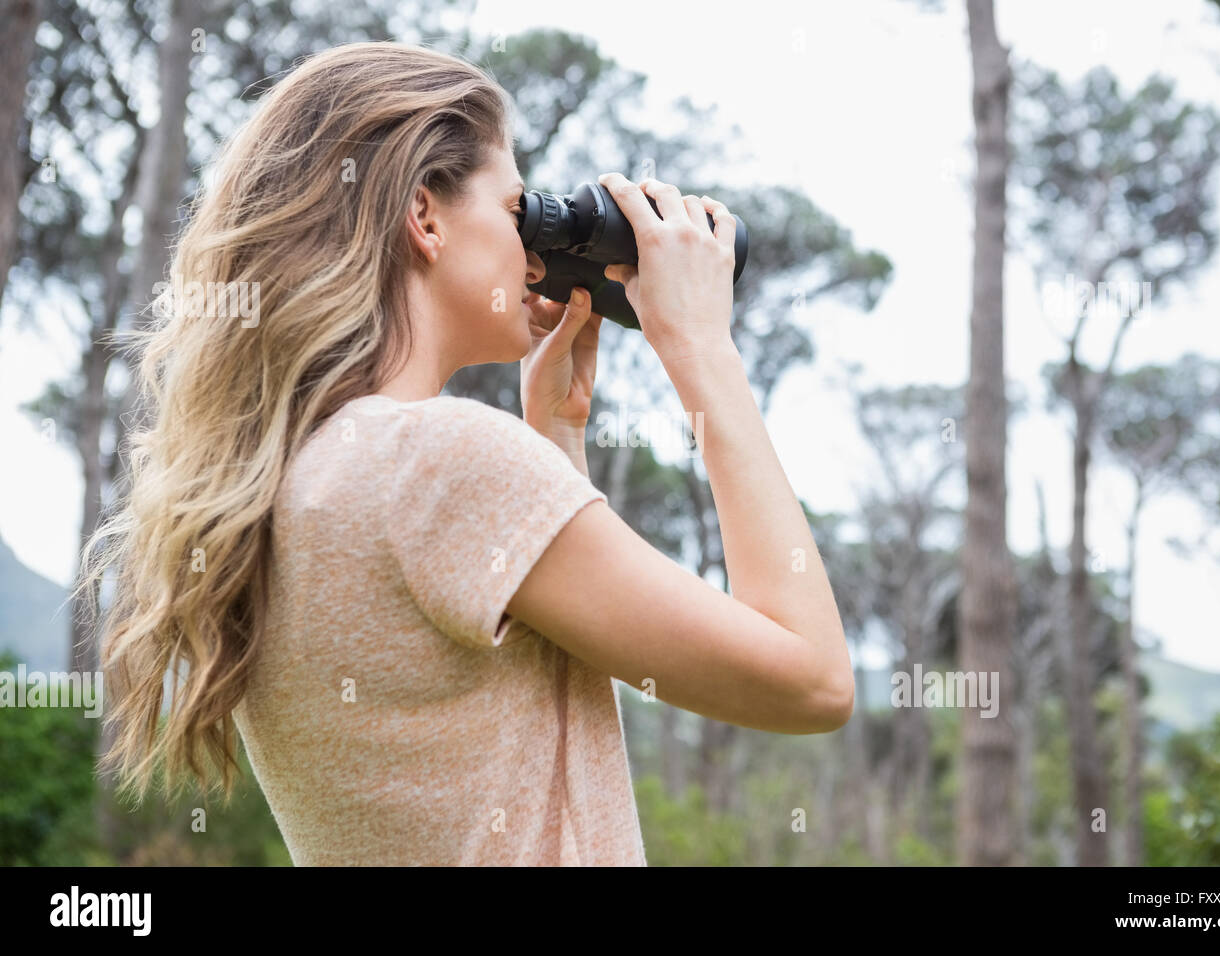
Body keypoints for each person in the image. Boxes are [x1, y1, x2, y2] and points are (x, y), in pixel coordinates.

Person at [79, 40, 852, 867]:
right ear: (425, 216)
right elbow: (812, 680)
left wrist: (552, 444)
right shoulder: (439, 458)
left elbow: (481, 755)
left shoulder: (287, 480)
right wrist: (702, 350)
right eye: (519, 210)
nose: (534, 249)